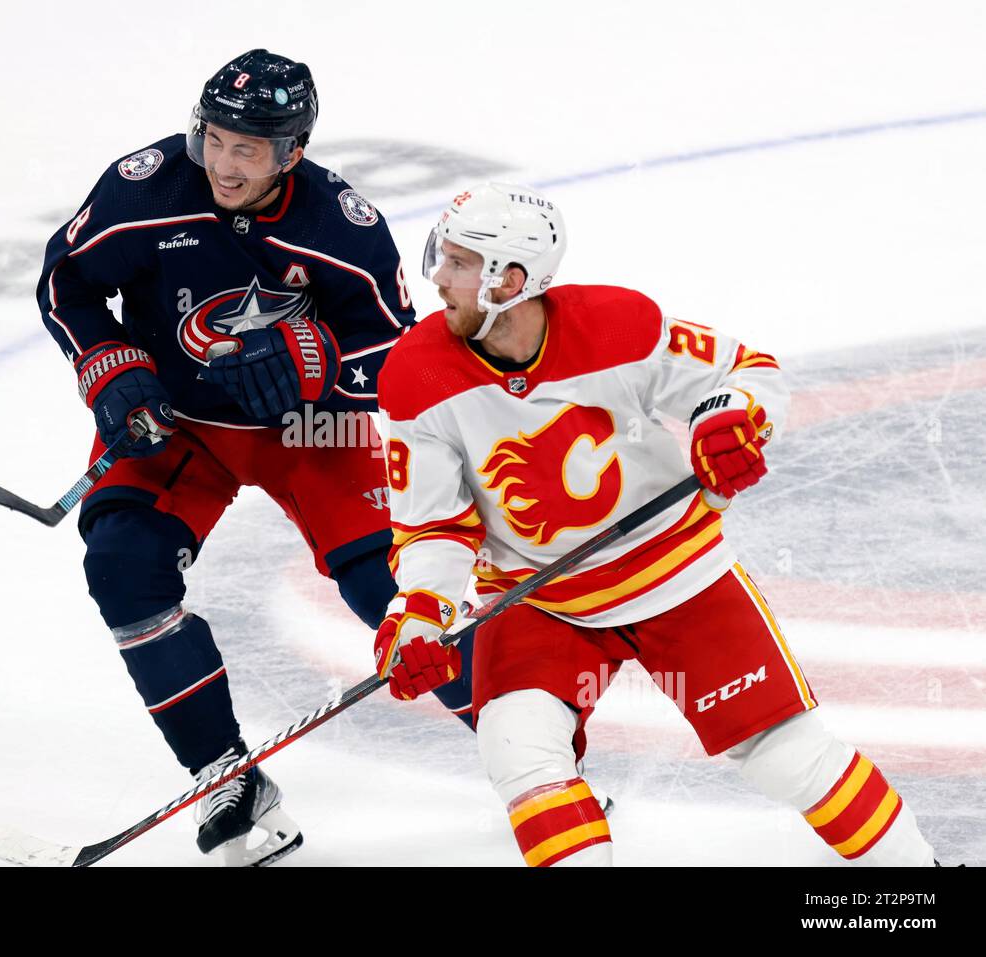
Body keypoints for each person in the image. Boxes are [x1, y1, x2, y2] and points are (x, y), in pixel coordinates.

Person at [372, 182, 937, 866]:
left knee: (788, 754)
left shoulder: (618, 325)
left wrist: (728, 419)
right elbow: (432, 524)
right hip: (540, 598)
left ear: (510, 280)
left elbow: (744, 372)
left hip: (676, 574)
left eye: (459, 262)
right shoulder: (417, 374)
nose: (438, 276)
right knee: (519, 752)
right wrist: (422, 613)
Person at [35, 49, 474, 867]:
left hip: (309, 430)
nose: (223, 165)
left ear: (292, 153)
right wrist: (113, 369)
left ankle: (536, 753)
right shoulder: (144, 188)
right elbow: (67, 285)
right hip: (179, 427)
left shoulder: (343, 228)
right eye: (214, 138)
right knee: (124, 569)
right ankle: (229, 778)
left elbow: (400, 363)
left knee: (393, 585)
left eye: (248, 149)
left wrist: (314, 357)